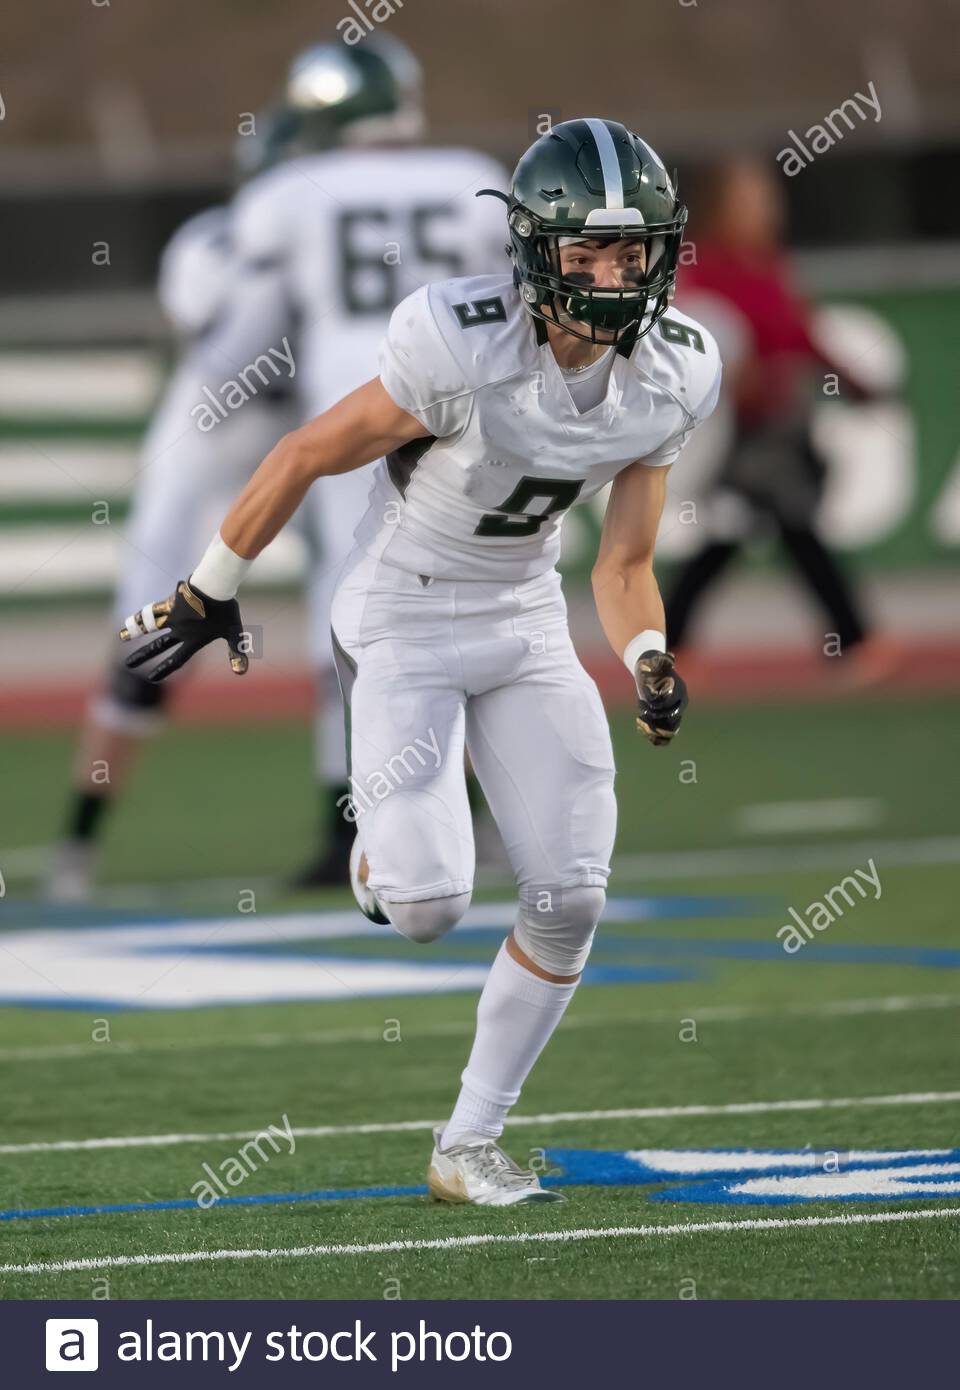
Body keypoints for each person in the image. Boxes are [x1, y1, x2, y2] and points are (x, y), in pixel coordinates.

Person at [120, 119, 720, 1206]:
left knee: (573, 892)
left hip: (524, 613)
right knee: (432, 903)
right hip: (401, 612)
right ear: (536, 252)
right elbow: (303, 452)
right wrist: (211, 588)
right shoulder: (461, 340)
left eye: (630, 253)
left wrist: (647, 655)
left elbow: (625, 560)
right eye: (584, 252)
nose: (611, 275)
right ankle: (373, 864)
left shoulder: (674, 371)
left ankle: (469, 1140)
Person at [49, 36, 508, 899]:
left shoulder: (284, 203)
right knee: (462, 608)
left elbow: (228, 353)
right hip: (453, 411)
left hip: (336, 419)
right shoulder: (470, 176)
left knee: (349, 620)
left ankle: (373, 826)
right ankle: (449, 816)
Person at [666, 157, 887, 673]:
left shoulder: (766, 265)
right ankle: (853, 640)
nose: (767, 209)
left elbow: (798, 335)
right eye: (753, 198)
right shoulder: (704, 269)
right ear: (722, 207)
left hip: (778, 424)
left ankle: (669, 641)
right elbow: (692, 338)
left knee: (736, 530)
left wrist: (850, 379)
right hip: (741, 431)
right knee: (790, 523)